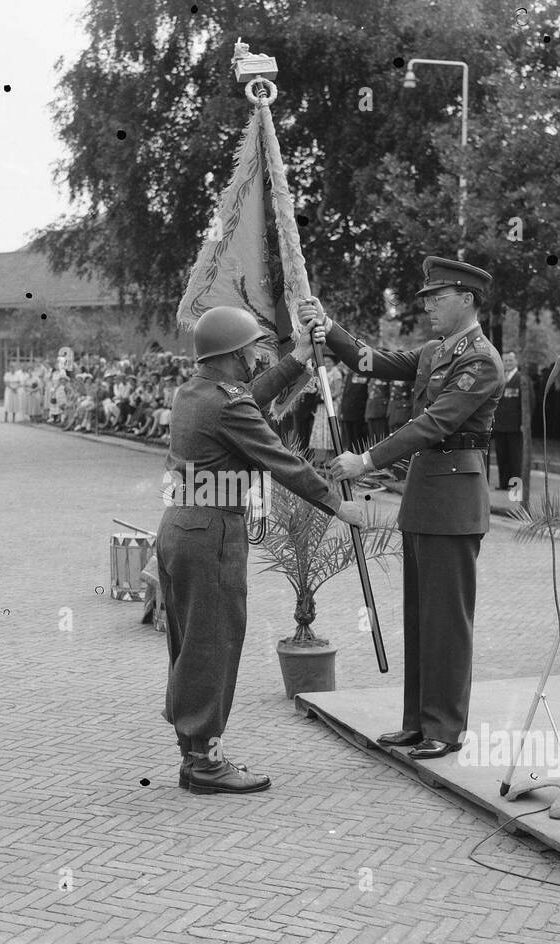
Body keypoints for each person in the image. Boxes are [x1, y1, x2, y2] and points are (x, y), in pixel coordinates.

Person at [301, 255, 505, 761]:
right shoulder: (438, 351)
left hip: (456, 501)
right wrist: (329, 329)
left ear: (467, 299)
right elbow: (372, 360)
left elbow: (434, 424)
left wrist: (367, 459)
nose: (430, 306)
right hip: (425, 496)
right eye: (427, 298)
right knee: (420, 616)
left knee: (448, 620)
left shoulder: (480, 361)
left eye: (438, 298)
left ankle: (446, 726)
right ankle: (417, 721)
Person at [159, 305, 364, 794]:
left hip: (181, 526)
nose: (256, 354)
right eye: (251, 347)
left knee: (191, 648)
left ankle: (196, 756)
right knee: (213, 647)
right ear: (232, 354)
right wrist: (338, 505)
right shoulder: (228, 404)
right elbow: (280, 462)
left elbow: (253, 396)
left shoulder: (197, 391)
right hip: (211, 534)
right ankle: (206, 764)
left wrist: (297, 359)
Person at [492, 350, 529, 493]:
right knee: (502, 456)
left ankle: (516, 485)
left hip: (515, 426)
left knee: (515, 457)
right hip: (500, 425)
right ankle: (503, 483)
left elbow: (528, 403)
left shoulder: (521, 380)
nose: (507, 363)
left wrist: (524, 423)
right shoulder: (499, 379)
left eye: (510, 360)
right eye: (505, 361)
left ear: (516, 362)